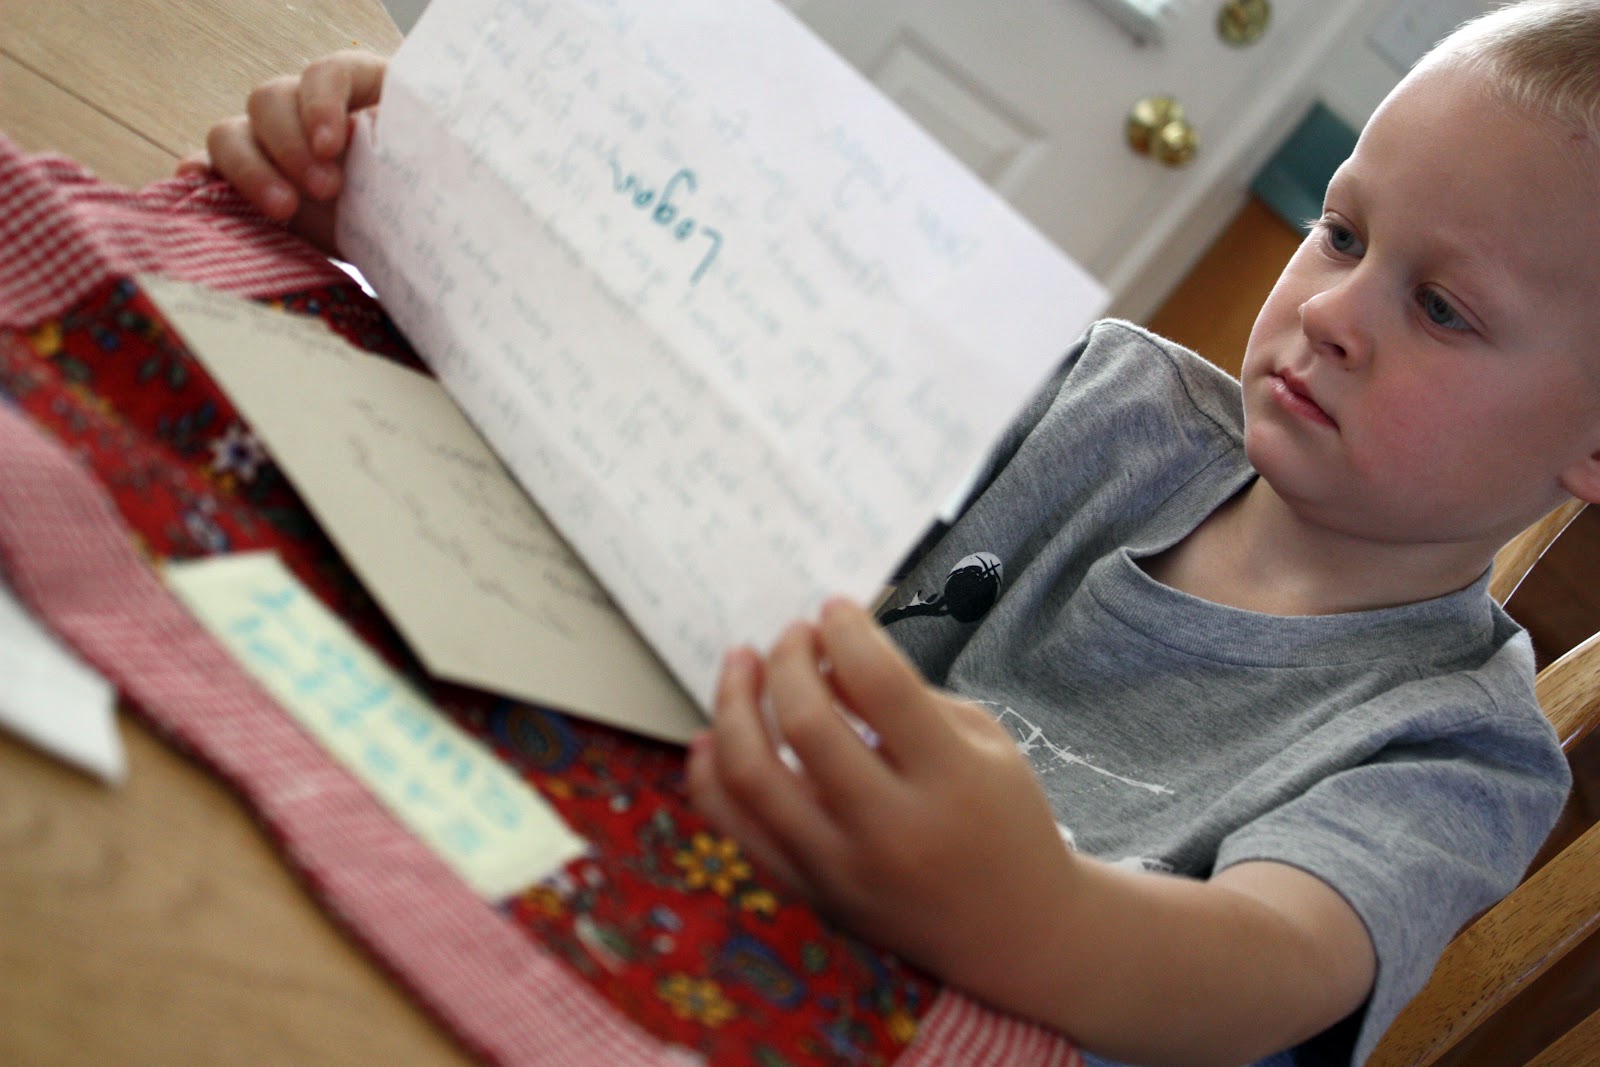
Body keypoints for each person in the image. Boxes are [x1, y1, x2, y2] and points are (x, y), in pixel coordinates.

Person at [194, 2, 1600, 1063]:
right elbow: (727, 431)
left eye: (1444, 310)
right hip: (644, 895)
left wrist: (1033, 912)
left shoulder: (1456, 745)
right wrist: (422, 214)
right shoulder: (1106, 397)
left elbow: (1271, 964)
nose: (1334, 314)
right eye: (1344, 232)